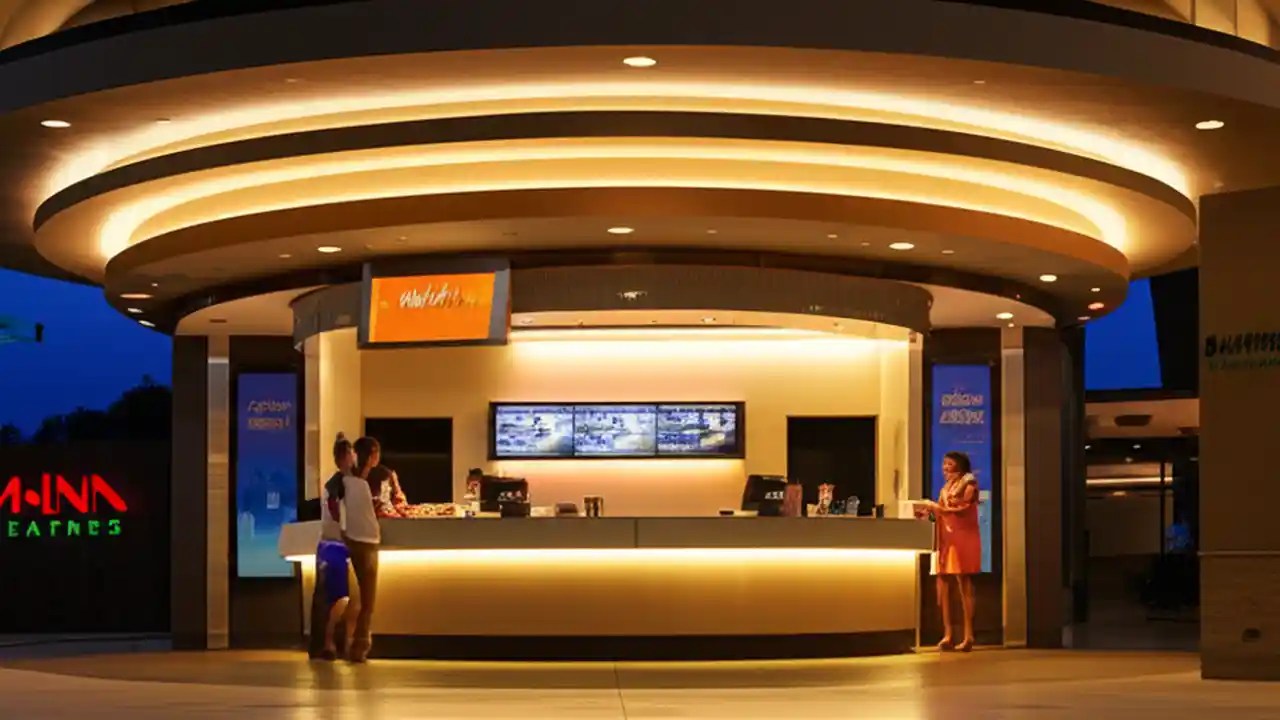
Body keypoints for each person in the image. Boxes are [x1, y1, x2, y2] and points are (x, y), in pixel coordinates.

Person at [919, 451, 981, 652]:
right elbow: (939, 513)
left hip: (963, 538)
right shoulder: (946, 488)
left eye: (950, 464)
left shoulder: (969, 484)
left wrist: (938, 509)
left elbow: (963, 510)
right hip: (945, 539)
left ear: (960, 466)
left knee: (964, 584)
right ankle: (947, 634)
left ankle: (968, 635)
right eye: (944, 464)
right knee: (942, 584)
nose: (945, 468)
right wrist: (927, 513)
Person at [309, 433, 355, 661]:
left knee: (336, 597)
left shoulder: (337, 483)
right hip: (335, 544)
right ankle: (329, 642)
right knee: (341, 597)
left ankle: (334, 642)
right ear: (345, 457)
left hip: (331, 545)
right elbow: (337, 513)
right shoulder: (339, 485)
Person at [343, 436, 382, 663]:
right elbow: (367, 518)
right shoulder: (360, 484)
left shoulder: (345, 482)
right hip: (366, 543)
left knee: (353, 598)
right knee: (367, 601)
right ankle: (359, 647)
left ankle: (344, 643)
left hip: (350, 542)